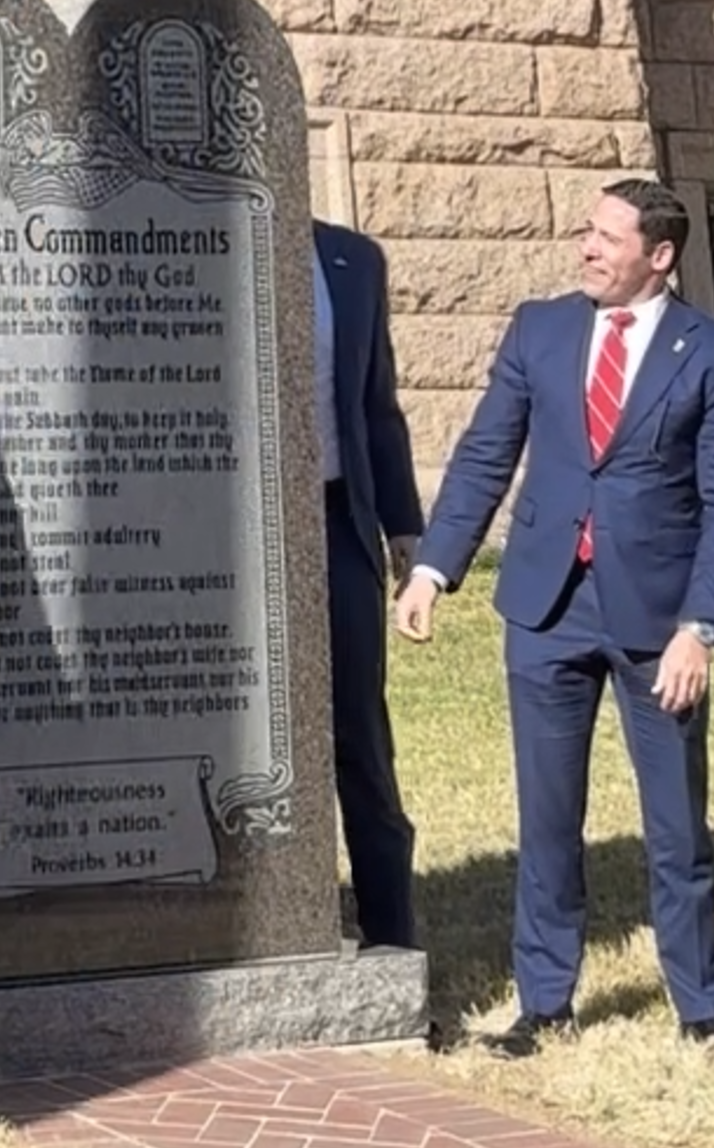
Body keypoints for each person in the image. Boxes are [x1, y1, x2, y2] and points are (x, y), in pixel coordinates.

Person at [392, 178, 714, 1059]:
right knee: (547, 820)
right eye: (586, 232)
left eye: (607, 237)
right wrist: (433, 569)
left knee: (675, 827)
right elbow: (486, 454)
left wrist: (700, 627)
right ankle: (544, 1005)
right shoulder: (541, 329)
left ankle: (703, 1008)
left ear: (660, 255)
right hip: (545, 607)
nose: (587, 248)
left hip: (659, 623)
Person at [308, 219, 425, 950]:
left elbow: (378, 406)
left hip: (335, 519)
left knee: (359, 727)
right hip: (221, 527)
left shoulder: (353, 259)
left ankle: (390, 931)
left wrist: (401, 521)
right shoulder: (191, 232)